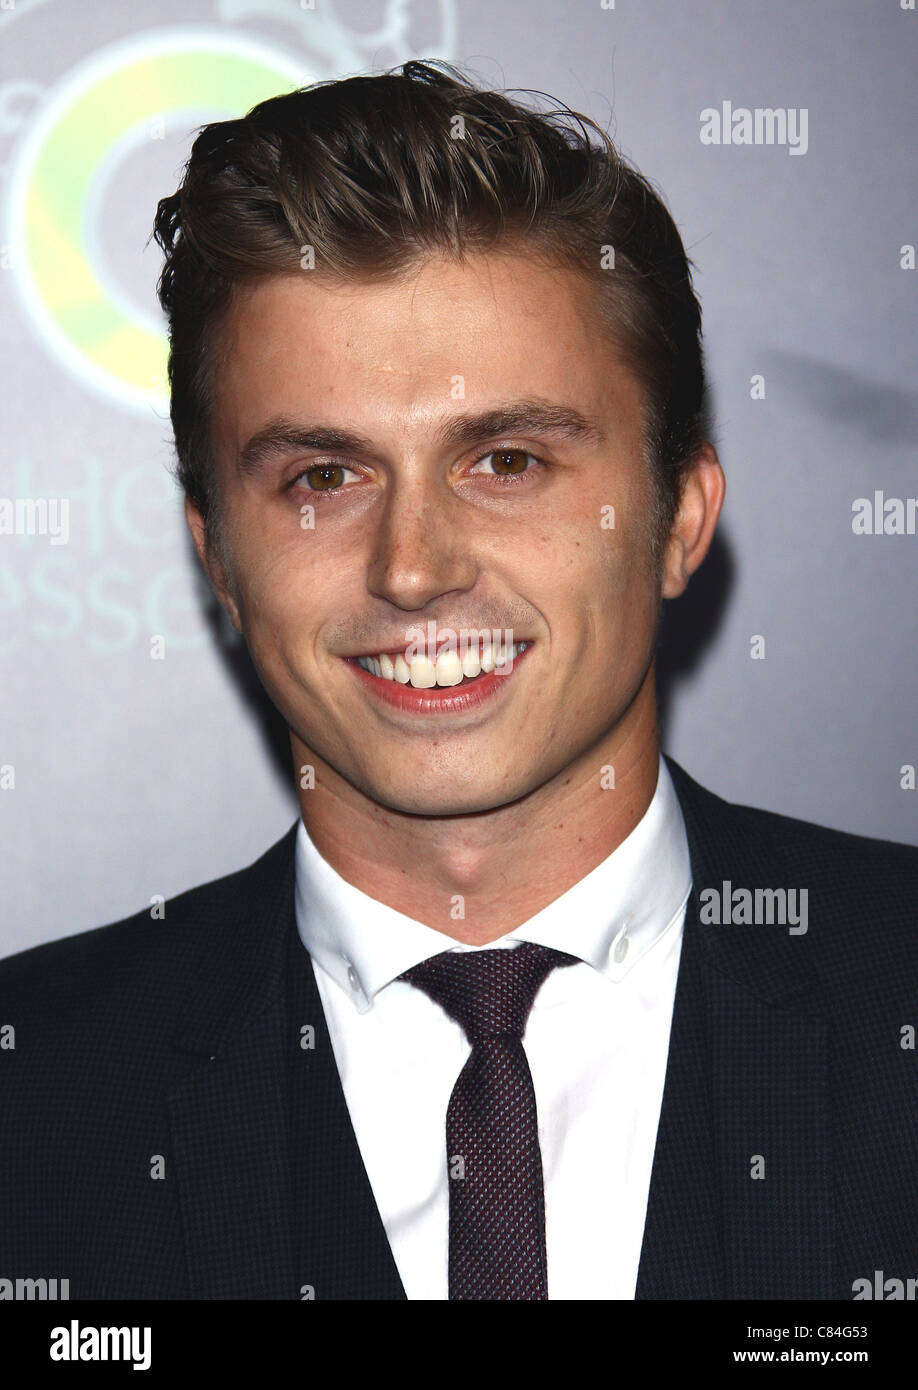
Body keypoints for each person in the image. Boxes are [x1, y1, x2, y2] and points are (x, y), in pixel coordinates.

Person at [2, 60, 916, 1303]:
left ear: (681, 516)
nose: (414, 567)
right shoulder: (33, 1099)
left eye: (507, 460)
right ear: (218, 557)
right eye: (324, 478)